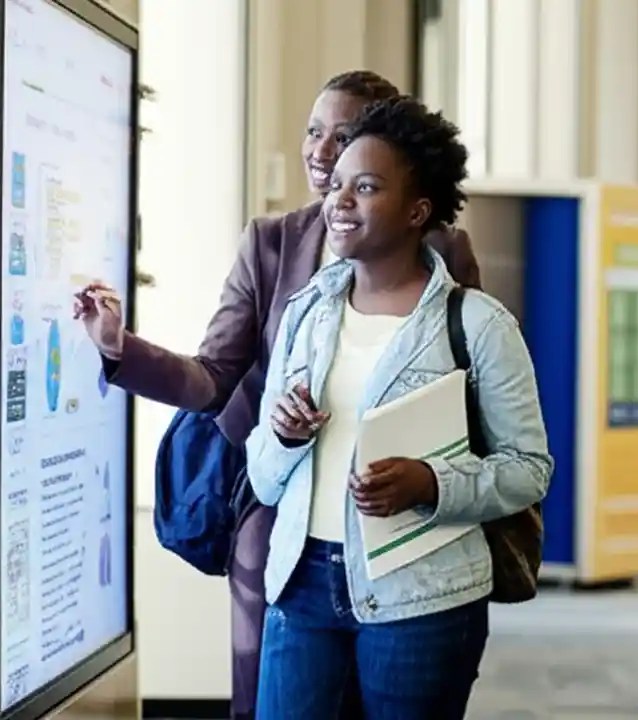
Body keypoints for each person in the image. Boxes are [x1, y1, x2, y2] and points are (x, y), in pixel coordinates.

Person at [73, 71, 481, 720]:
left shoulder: (439, 249)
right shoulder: (271, 243)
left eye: (341, 136)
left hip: (394, 504)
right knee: (270, 695)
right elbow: (212, 378)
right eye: (312, 132)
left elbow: (467, 390)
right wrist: (120, 348)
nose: (322, 152)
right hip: (281, 496)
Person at [245, 95, 552, 719]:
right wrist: (283, 436)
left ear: (417, 211)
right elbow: (264, 477)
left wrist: (430, 483)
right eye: (336, 187)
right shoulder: (307, 314)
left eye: (365, 187)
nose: (340, 201)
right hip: (300, 586)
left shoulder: (479, 325)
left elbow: (529, 468)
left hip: (423, 596)